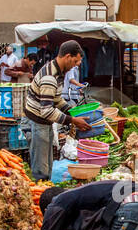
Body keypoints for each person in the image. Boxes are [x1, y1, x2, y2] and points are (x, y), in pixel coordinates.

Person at [23, 40, 92, 181]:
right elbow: (47, 111)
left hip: (44, 121)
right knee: (41, 170)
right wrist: (72, 120)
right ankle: (39, 194)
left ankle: (44, 189)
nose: (77, 65)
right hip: (37, 121)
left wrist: (72, 111)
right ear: (67, 56)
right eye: (75, 61)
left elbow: (57, 99)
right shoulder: (50, 77)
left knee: (47, 164)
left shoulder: (59, 72)